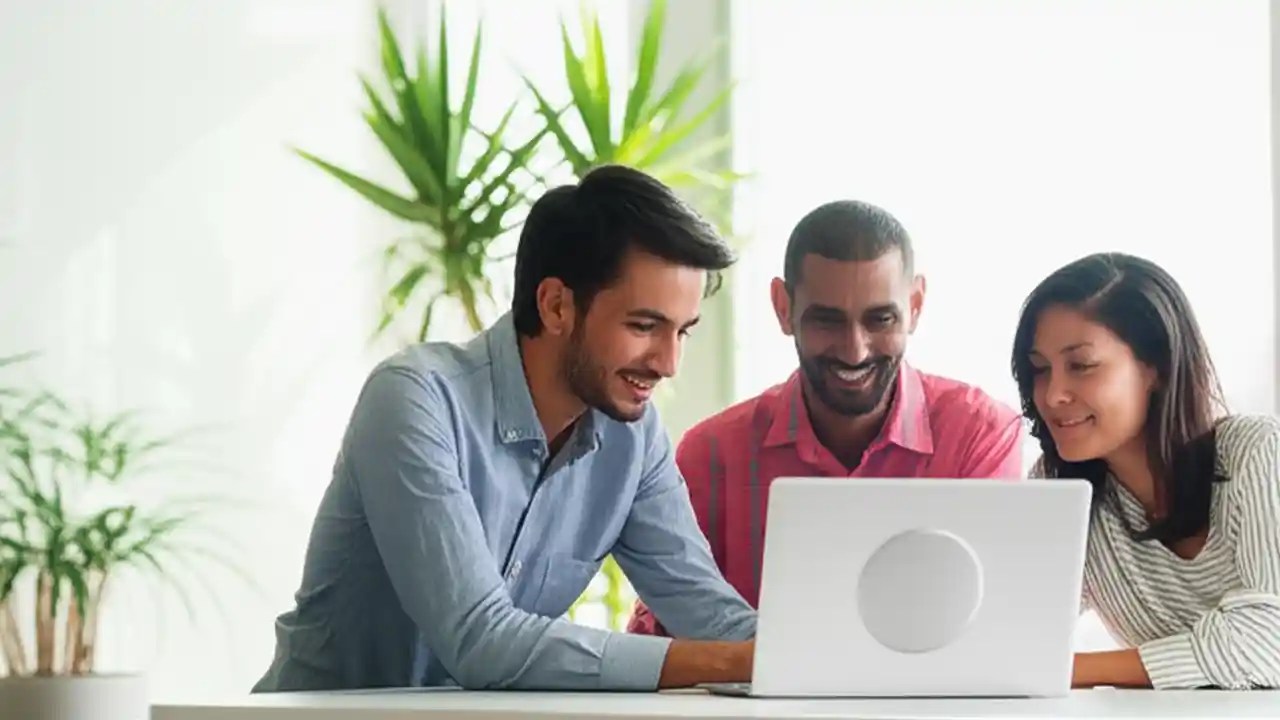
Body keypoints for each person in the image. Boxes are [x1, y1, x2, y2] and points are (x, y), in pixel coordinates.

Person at [252, 165, 756, 693]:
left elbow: (714, 618)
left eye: (683, 332)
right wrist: (728, 663)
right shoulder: (414, 400)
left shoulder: (634, 436)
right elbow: (482, 641)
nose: (669, 363)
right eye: (644, 326)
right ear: (556, 305)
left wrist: (807, 656)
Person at [628, 199, 1023, 635]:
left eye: (880, 319)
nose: (855, 349)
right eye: (827, 321)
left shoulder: (978, 435)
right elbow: (663, 632)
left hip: (927, 703)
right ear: (783, 307)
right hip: (754, 703)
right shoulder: (713, 453)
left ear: (914, 306)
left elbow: (993, 627)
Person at [1012, 252, 1280, 690]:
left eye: (1081, 366)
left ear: (1155, 367)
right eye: (1040, 369)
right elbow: (1016, 629)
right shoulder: (1059, 489)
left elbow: (1271, 639)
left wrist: (1069, 671)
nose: (1053, 394)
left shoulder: (1257, 452)